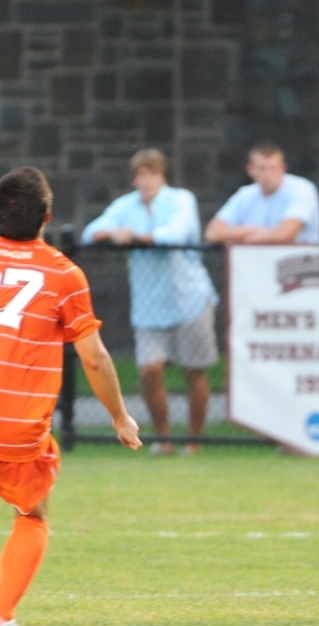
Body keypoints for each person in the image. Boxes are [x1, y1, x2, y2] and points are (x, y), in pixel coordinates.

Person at [0, 167, 142, 626]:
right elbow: (95, 359)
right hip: (16, 426)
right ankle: (1, 616)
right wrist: (120, 418)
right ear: (47, 216)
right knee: (32, 514)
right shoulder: (64, 275)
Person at [82, 149, 218, 455]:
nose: (146, 181)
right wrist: (113, 232)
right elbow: (91, 232)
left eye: (152, 174)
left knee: (194, 371)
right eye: (141, 175)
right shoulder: (125, 206)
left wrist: (136, 237)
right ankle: (163, 439)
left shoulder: (181, 200)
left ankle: (195, 441)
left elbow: (174, 234)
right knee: (149, 371)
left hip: (190, 300)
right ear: (134, 179)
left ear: (162, 176)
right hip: (149, 305)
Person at [205, 142, 319, 245]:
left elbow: (285, 235)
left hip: (298, 262)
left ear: (283, 168)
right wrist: (251, 230)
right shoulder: (245, 194)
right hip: (254, 262)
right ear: (250, 169)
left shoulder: (302, 189)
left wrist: (239, 237)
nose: (268, 174)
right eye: (262, 168)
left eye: (273, 168)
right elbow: (212, 233)